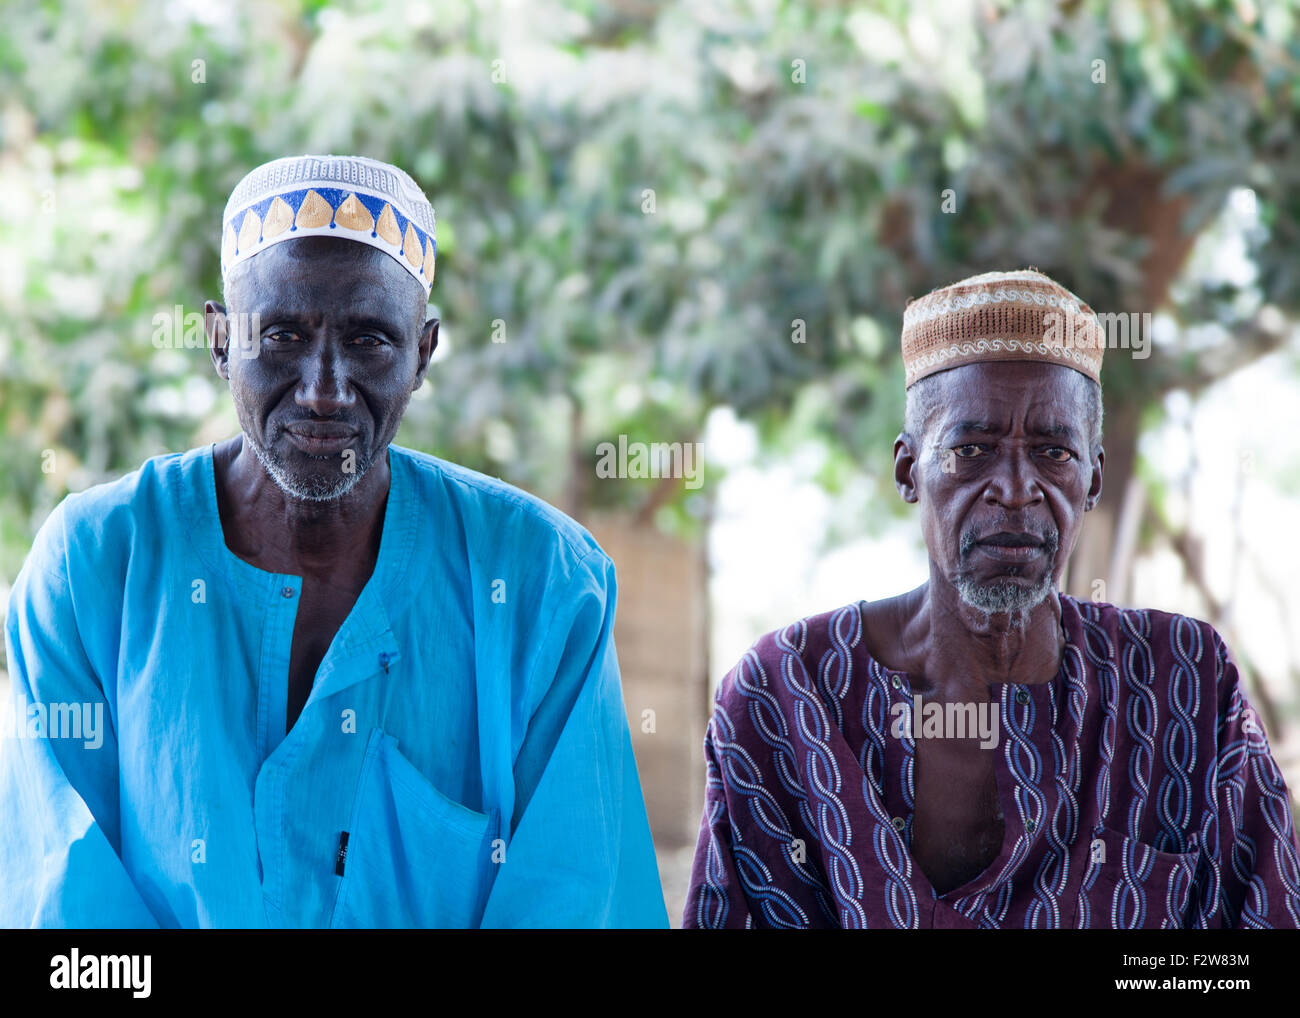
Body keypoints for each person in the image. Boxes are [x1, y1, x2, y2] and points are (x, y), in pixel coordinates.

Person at [0, 154, 667, 929]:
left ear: (422, 353)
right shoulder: (93, 568)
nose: (323, 388)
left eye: (369, 340)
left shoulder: (543, 585)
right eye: (281, 334)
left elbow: (574, 899)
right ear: (220, 340)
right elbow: (69, 924)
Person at [683, 268, 1300, 929]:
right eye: (971, 449)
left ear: (1093, 478)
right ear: (907, 470)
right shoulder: (785, 697)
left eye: (1052, 452)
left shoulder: (1184, 683)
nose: (1014, 487)